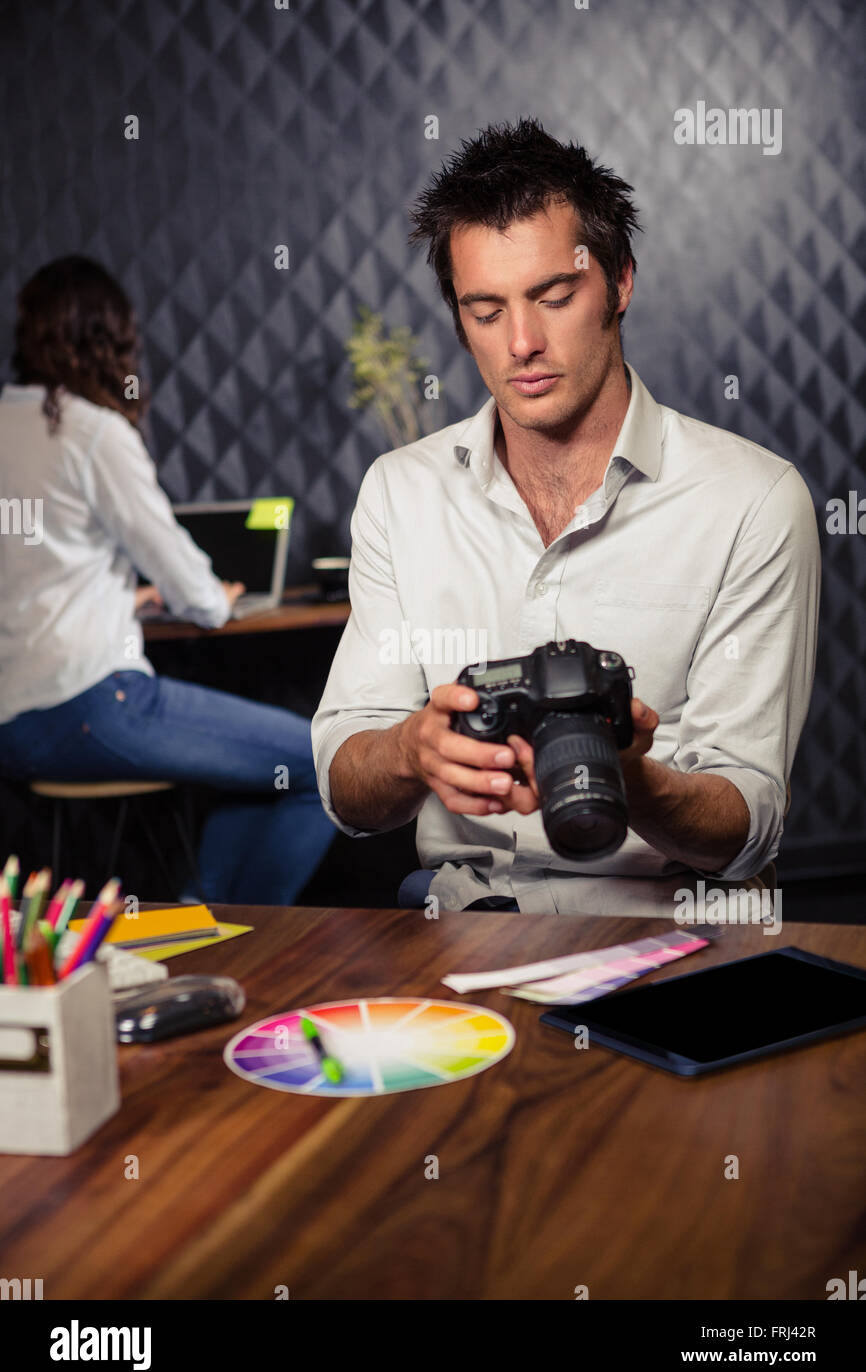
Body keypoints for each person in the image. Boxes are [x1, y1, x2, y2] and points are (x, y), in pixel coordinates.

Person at [311, 118, 820, 918]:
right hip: (461, 931)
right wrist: (413, 752)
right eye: (485, 310)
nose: (521, 342)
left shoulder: (752, 501)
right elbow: (347, 787)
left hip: (670, 930)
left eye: (554, 296)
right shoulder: (400, 492)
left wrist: (625, 771)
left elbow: (745, 827)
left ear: (619, 280)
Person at [0, 255, 336, 904]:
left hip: (15, 726)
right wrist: (216, 598)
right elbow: (192, 588)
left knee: (259, 772)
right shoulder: (93, 431)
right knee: (322, 765)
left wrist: (115, 596)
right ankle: (234, 937)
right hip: (93, 706)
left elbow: (31, 569)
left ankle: (199, 923)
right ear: (109, 336)